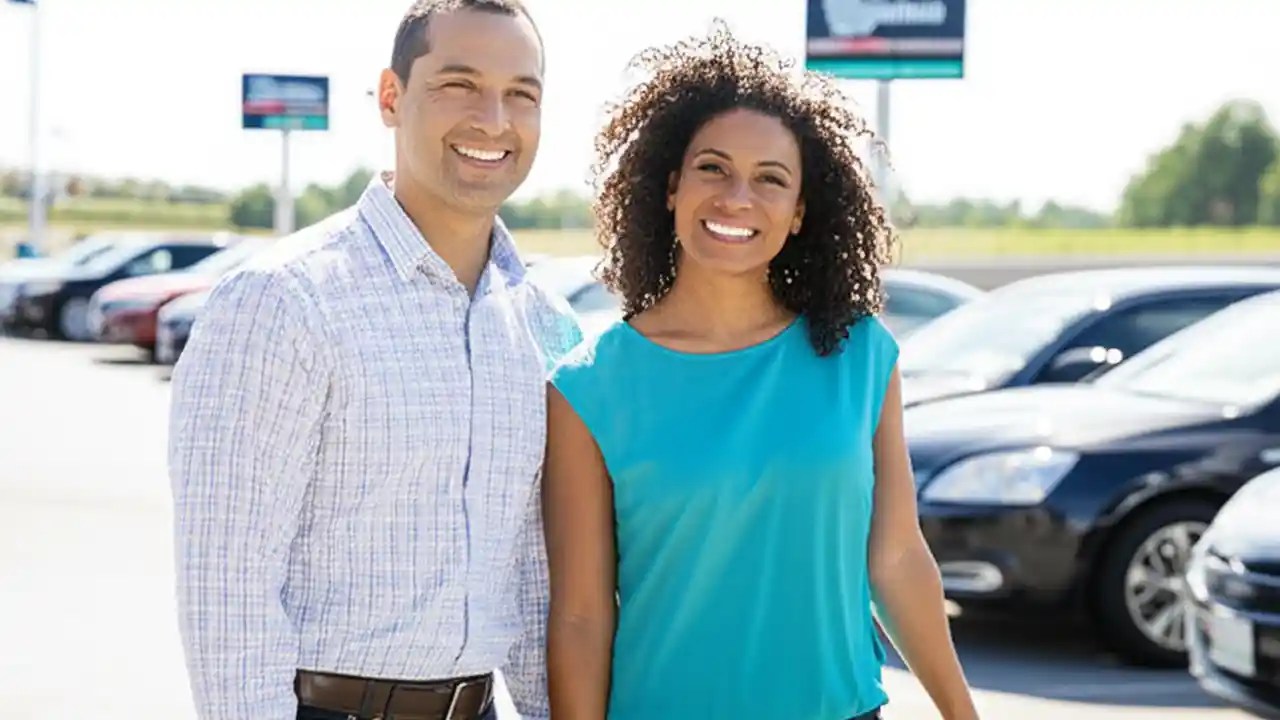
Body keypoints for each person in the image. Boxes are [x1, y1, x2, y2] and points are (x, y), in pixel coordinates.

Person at [541, 22, 980, 720]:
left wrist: (962, 714)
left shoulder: (860, 356)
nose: (737, 198)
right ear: (670, 186)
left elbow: (896, 558)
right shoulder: (588, 387)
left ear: (801, 212)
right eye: (713, 168)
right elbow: (581, 617)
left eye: (770, 178)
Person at [167, 2, 580, 719]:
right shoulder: (282, 301)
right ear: (392, 96)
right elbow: (227, 589)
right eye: (459, 84)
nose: (494, 118)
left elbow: (533, 582)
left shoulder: (545, 324)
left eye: (521, 93)